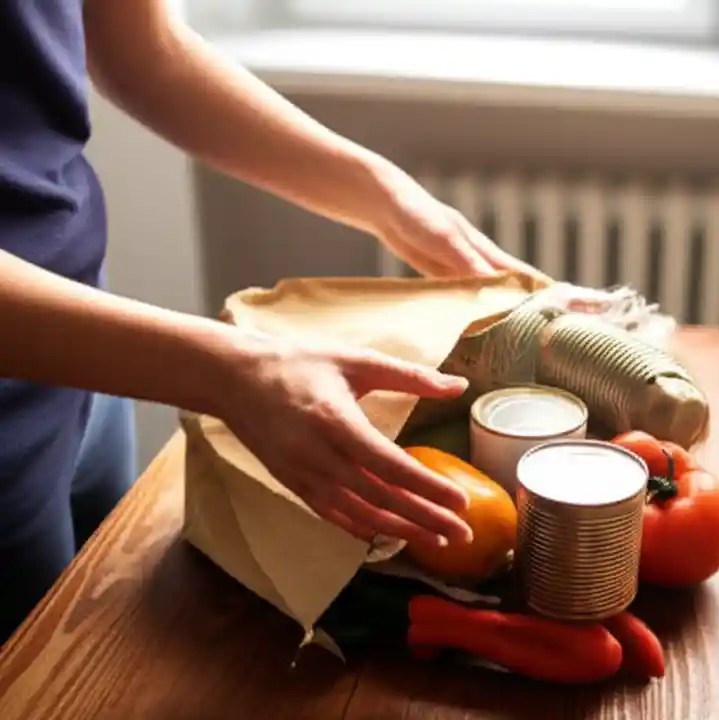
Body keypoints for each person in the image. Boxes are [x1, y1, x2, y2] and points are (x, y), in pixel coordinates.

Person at [0, 1, 544, 643]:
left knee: (99, 639)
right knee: (40, 677)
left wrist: (389, 199)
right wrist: (232, 370)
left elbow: (142, 50)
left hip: (90, 348)